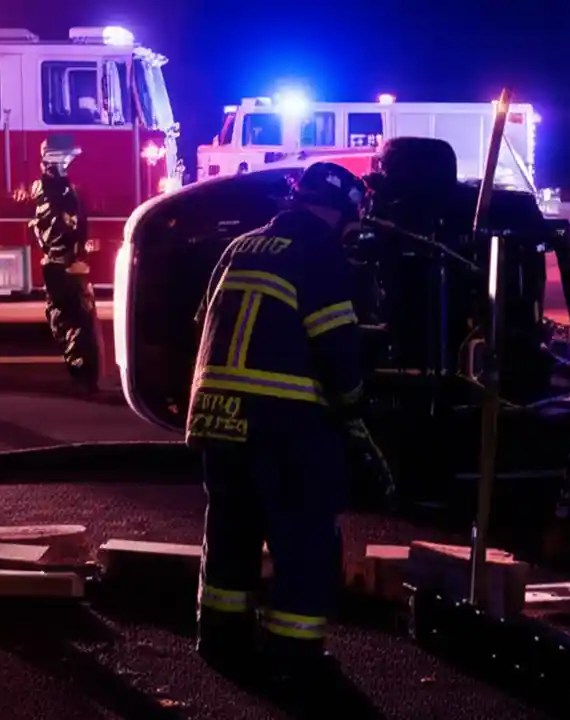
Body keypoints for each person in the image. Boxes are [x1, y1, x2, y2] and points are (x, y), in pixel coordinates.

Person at [187, 162, 389, 682]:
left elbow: (203, 321)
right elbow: (336, 347)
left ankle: (219, 639)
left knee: (230, 530)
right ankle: (292, 657)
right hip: (284, 424)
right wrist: (354, 406)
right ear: (343, 213)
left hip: (216, 417)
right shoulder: (320, 253)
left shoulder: (240, 247)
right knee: (303, 538)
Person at [29, 136, 101, 392]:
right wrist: (70, 260)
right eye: (67, 157)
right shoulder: (55, 192)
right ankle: (82, 376)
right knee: (74, 320)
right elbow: (57, 230)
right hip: (63, 267)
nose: (71, 161)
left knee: (74, 318)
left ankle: (83, 373)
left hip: (63, 264)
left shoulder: (53, 187)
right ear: (56, 158)